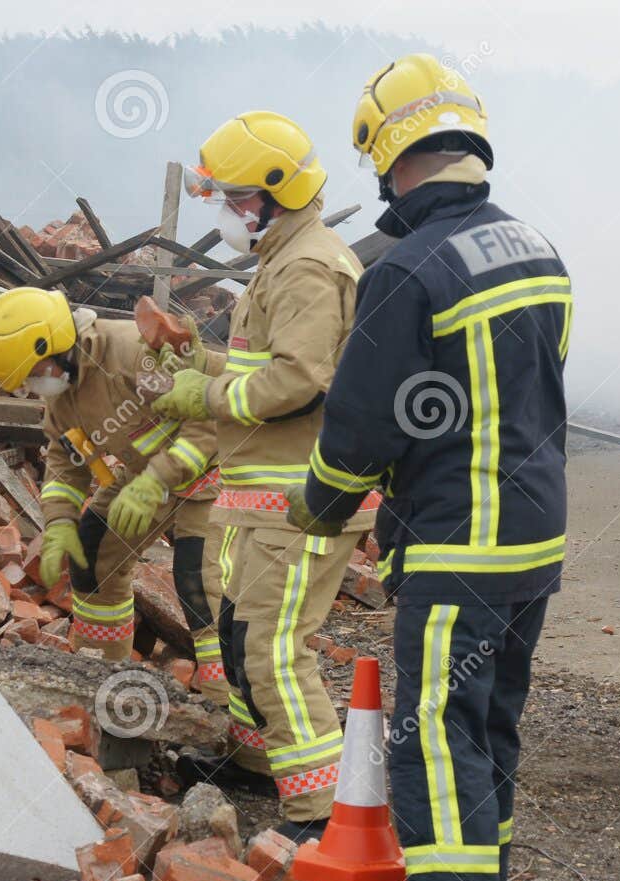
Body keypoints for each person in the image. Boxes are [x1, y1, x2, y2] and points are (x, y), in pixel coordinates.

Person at [285, 54, 574, 881]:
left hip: (461, 551)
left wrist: (316, 509)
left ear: (384, 153)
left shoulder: (404, 267)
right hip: (534, 542)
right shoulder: (536, 247)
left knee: (436, 751)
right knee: (485, 737)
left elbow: (360, 427)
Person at [153, 111, 375, 841]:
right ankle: (258, 763)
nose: (227, 211)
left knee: (277, 652)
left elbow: (300, 378)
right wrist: (199, 361)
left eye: (236, 197)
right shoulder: (282, 259)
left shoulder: (310, 265)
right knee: (242, 632)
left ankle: (326, 816)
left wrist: (206, 396)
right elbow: (259, 369)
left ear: (275, 194)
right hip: (262, 499)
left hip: (301, 501)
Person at [0, 287, 226, 686]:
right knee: (92, 558)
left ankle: (230, 713)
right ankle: (101, 677)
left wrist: (158, 478)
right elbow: (65, 458)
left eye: (34, 375)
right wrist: (58, 521)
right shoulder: (66, 390)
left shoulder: (132, 354)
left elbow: (207, 416)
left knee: (200, 587)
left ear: (55, 347)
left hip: (218, 468)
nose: (32, 388)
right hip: (148, 476)